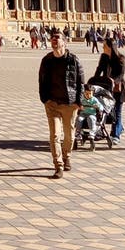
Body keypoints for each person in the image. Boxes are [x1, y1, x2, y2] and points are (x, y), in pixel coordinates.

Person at [39, 29, 84, 179]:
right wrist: (44, 98)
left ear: (64, 42)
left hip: (69, 104)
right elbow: (41, 80)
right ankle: (58, 165)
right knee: (54, 135)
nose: (54, 40)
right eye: (52, 38)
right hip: (52, 103)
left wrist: (79, 102)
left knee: (69, 135)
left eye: (57, 38)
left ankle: (67, 156)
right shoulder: (47, 60)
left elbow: (80, 82)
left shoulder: (74, 60)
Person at [94, 36, 125, 144]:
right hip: (106, 88)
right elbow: (99, 69)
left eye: (104, 45)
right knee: (106, 111)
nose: (103, 47)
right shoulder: (104, 57)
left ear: (110, 47)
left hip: (118, 89)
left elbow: (121, 74)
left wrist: (114, 81)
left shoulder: (120, 58)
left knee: (117, 112)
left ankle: (115, 135)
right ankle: (119, 127)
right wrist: (94, 81)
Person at [75, 84, 102, 150]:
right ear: (84, 93)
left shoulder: (94, 100)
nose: (88, 95)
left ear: (92, 93)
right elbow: (77, 105)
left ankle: (92, 133)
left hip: (92, 114)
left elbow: (101, 107)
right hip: (83, 113)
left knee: (91, 119)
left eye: (90, 94)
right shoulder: (82, 99)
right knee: (79, 119)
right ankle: (78, 132)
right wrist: (79, 107)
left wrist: (98, 107)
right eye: (87, 94)